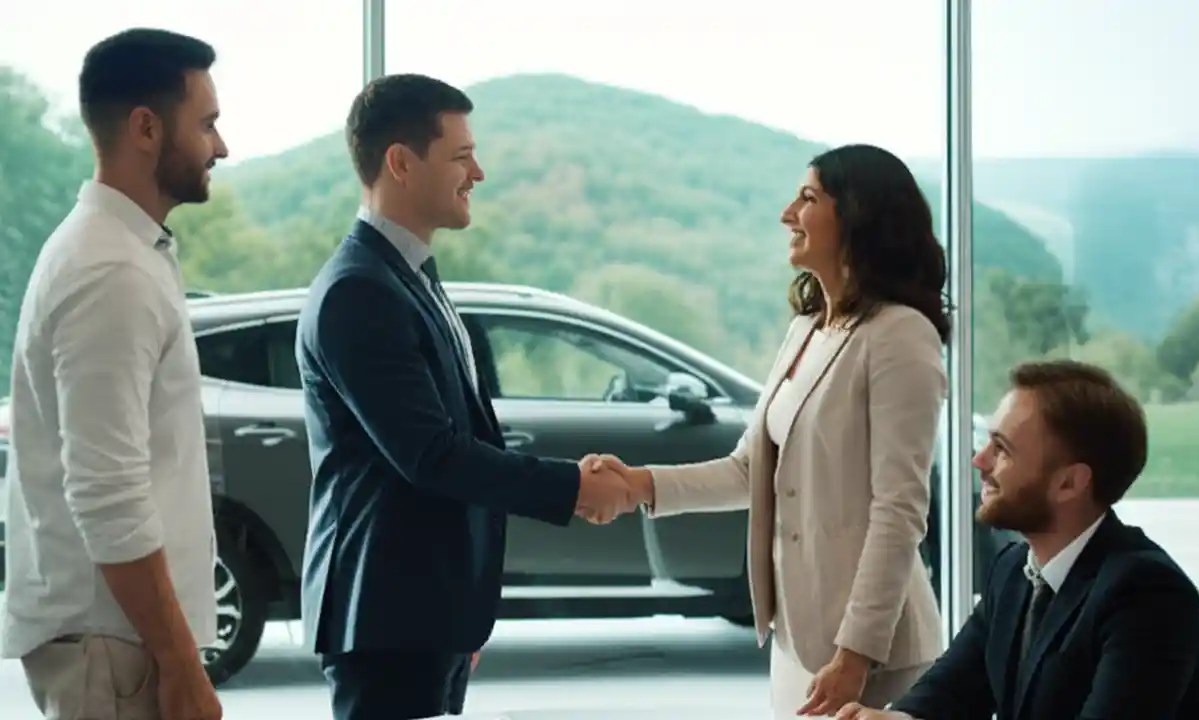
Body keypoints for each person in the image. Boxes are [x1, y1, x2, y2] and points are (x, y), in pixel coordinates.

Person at [295, 73, 635, 720]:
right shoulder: (358, 291)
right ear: (400, 162)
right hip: (386, 616)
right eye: (460, 156)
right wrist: (573, 488)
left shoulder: (407, 273)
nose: (477, 172)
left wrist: (460, 612)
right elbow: (432, 454)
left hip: (426, 613)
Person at [591, 144, 949, 717]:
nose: (788, 213)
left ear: (857, 214)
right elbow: (751, 470)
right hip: (797, 638)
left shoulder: (901, 336)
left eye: (807, 198)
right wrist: (640, 484)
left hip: (872, 653)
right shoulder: (808, 329)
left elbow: (899, 508)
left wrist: (856, 653)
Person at [1, 28, 227, 720]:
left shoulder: (124, 250)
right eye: (208, 123)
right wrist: (181, 665)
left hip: (120, 643)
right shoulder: (110, 270)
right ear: (146, 128)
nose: (221, 146)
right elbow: (106, 492)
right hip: (114, 650)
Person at [837, 360, 1199, 720]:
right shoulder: (1012, 570)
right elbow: (948, 694)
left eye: (1001, 449)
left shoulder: (1147, 595)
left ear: (1069, 483)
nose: (979, 460)